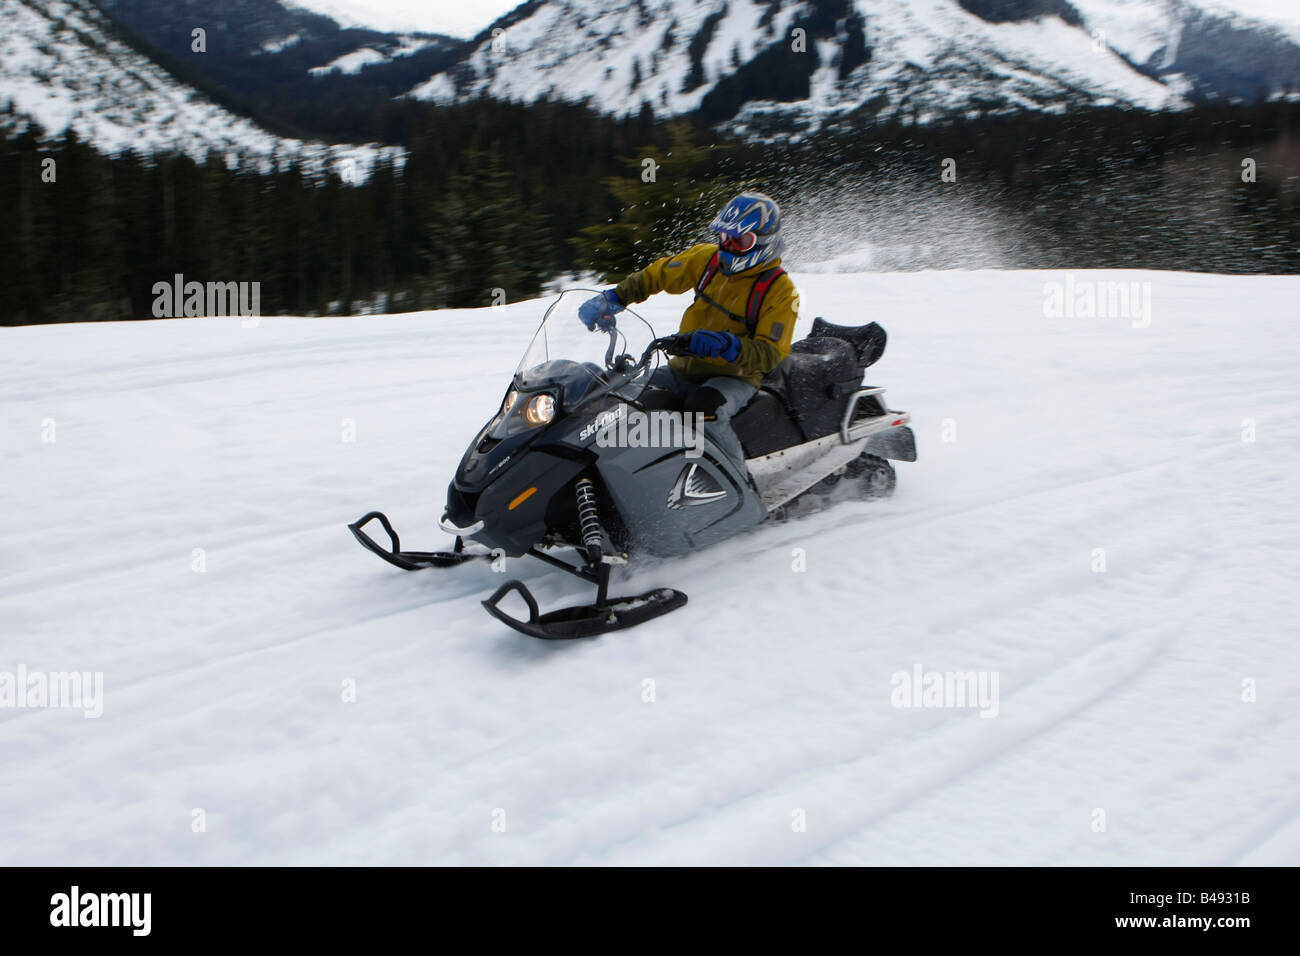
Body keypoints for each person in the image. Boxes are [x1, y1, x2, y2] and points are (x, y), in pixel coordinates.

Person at [577, 192, 797, 466]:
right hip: (685, 368)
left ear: (764, 243)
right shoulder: (707, 260)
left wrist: (725, 345)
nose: (727, 247)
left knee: (703, 410)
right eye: (723, 237)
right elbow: (657, 274)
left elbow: (769, 354)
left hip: (735, 377)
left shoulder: (780, 291)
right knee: (624, 399)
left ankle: (740, 483)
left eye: (739, 241)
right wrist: (614, 298)